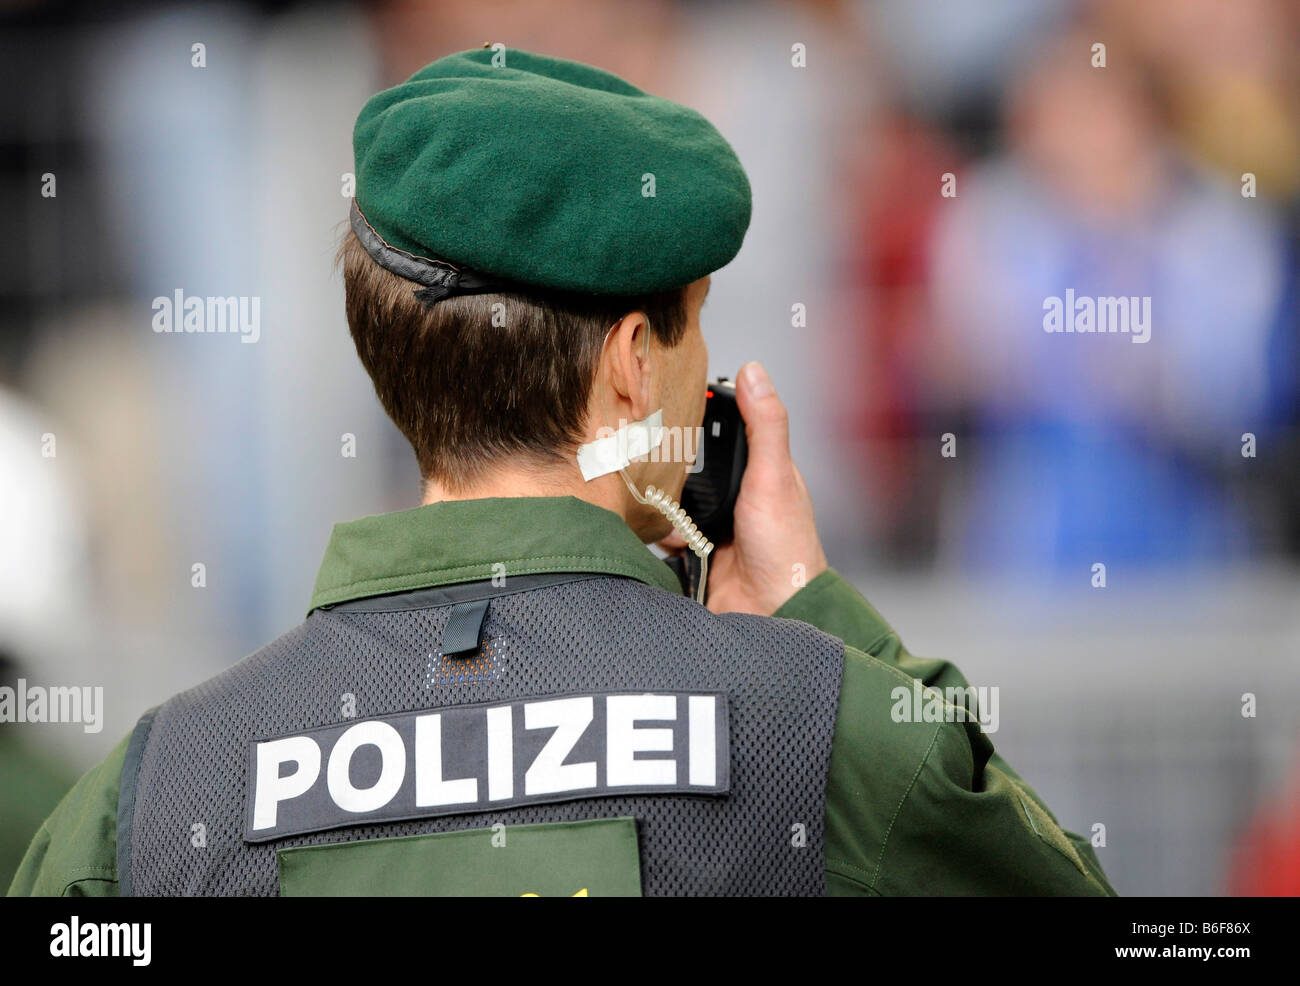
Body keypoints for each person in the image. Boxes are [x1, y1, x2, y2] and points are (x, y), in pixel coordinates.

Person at [9, 47, 1113, 897]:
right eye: (692, 338)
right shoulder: (818, 730)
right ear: (634, 366)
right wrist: (816, 616)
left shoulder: (159, 789)